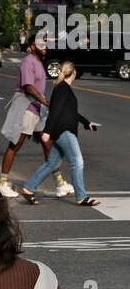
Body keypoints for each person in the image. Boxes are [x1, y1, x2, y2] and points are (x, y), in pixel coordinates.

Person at [0, 32, 69, 199]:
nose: (44, 46)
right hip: (26, 107)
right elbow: (29, 87)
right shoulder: (28, 62)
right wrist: (46, 103)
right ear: (31, 46)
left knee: (47, 142)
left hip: (37, 108)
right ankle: (2, 183)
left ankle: (60, 183)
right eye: (40, 44)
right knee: (15, 144)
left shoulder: (39, 62)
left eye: (45, 43)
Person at [20, 63, 100, 207]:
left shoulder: (64, 88)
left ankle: (28, 189)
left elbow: (70, 112)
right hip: (64, 131)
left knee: (52, 163)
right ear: (74, 72)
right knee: (77, 161)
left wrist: (86, 122)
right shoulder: (63, 88)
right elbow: (55, 110)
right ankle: (81, 197)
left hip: (61, 130)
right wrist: (47, 131)